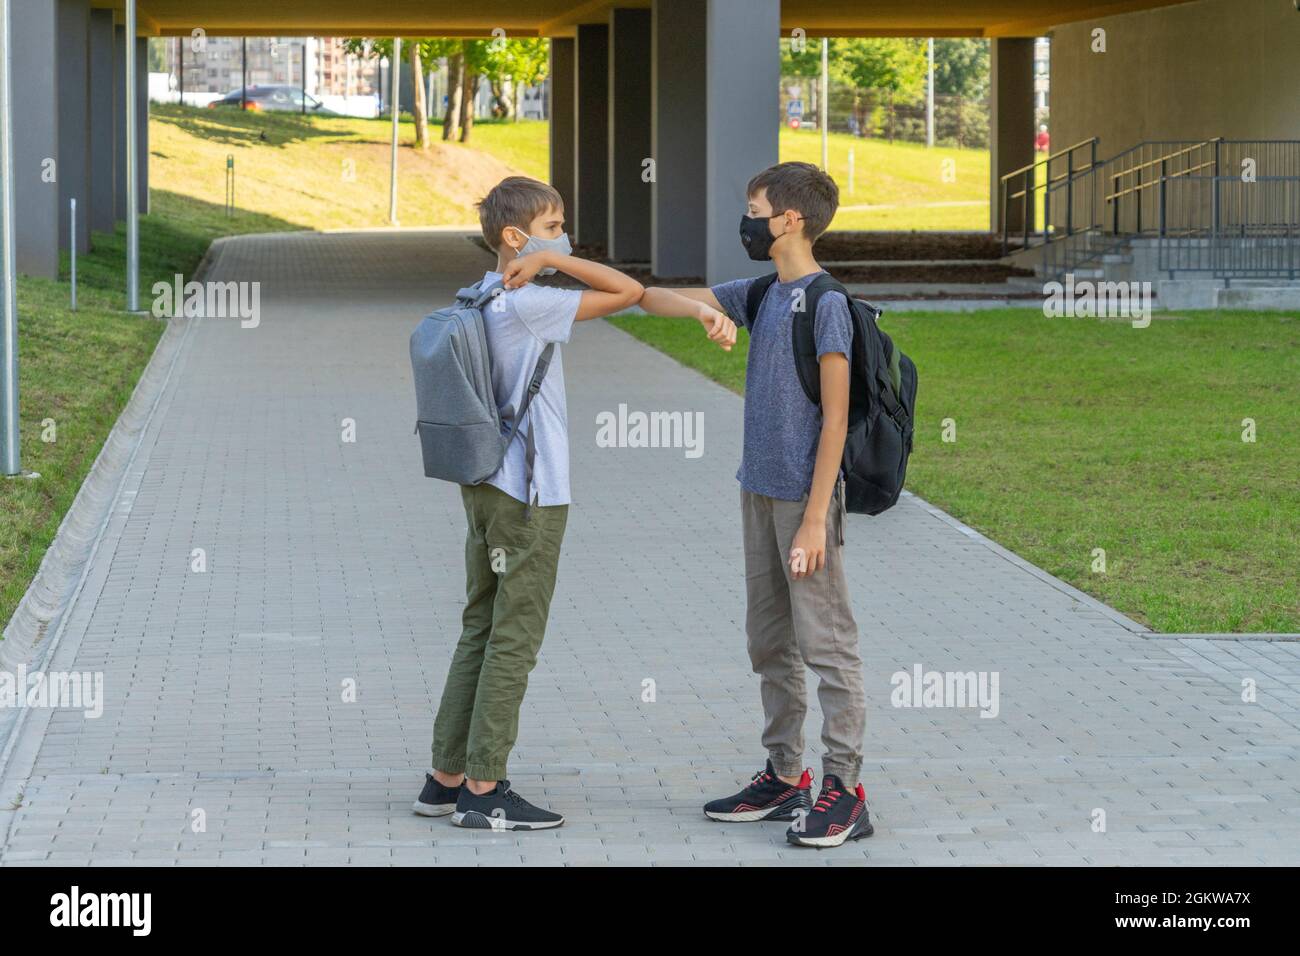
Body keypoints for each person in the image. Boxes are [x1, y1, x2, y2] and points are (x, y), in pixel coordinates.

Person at [414, 176, 736, 831]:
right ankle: (484, 787)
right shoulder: (528, 301)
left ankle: (445, 779)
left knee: (481, 626)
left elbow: (639, 299)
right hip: (529, 498)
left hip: (484, 488)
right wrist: (555, 260)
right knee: (514, 640)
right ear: (516, 237)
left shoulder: (483, 292)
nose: (564, 236)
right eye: (554, 224)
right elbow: (628, 292)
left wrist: (700, 309)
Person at [639, 162, 873, 849]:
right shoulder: (764, 292)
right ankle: (785, 775)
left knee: (827, 645)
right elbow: (656, 299)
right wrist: (704, 308)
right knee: (769, 642)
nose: (745, 220)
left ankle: (846, 790)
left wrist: (812, 520)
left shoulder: (826, 304)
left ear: (790, 220)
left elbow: (835, 422)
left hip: (805, 502)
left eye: (754, 208)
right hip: (757, 489)